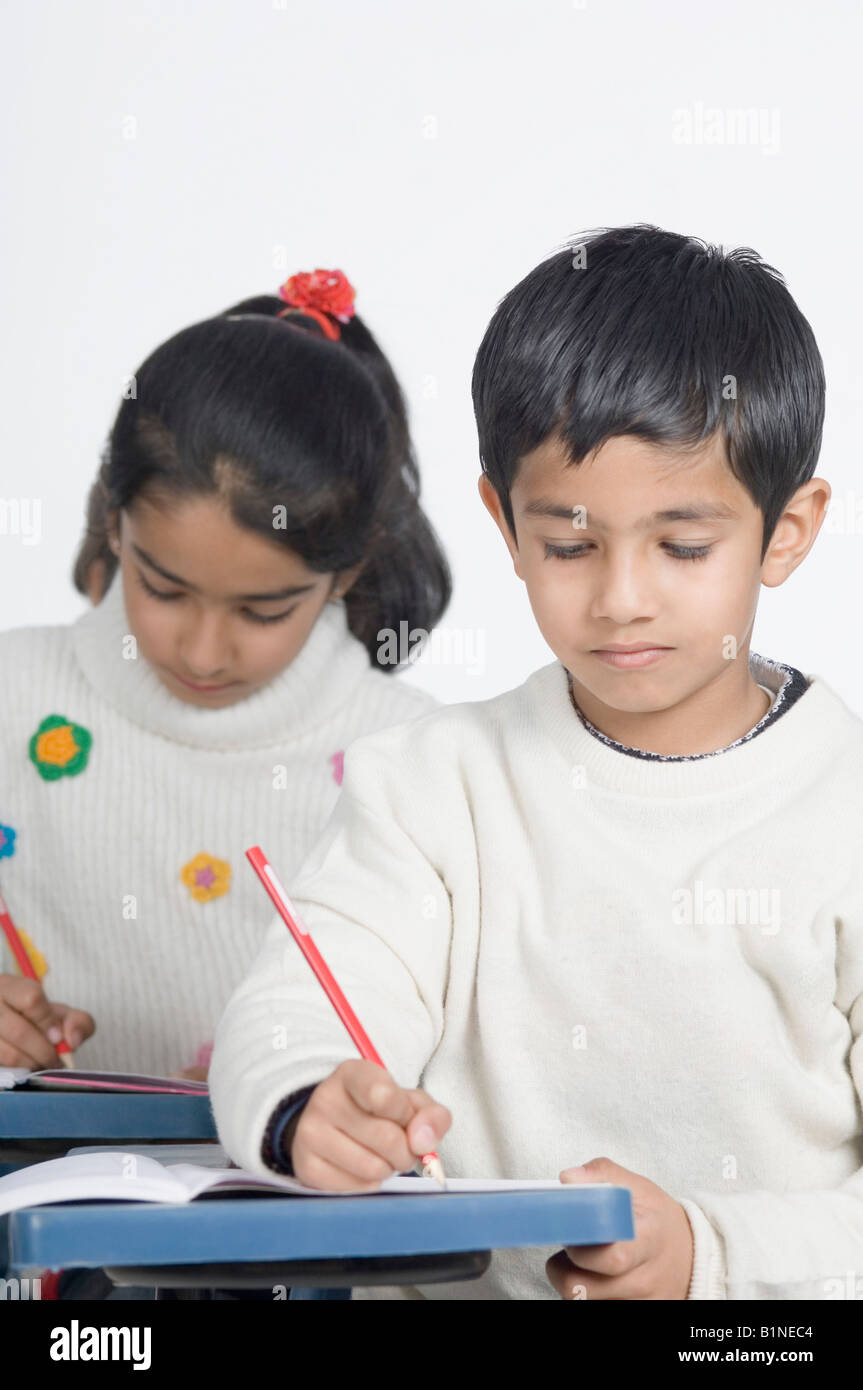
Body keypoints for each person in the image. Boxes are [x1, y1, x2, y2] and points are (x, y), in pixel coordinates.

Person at [209, 227, 863, 1301]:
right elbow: (297, 1007)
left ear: (785, 531)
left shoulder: (842, 815)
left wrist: (706, 1254)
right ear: (502, 524)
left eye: (682, 547)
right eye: (567, 543)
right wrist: (303, 1101)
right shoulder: (426, 787)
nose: (619, 596)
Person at [0, 268, 451, 1079]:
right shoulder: (11, 694)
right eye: (164, 589)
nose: (203, 653)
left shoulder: (411, 756)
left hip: (303, 1204)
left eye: (262, 611)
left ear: (347, 573)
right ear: (114, 521)